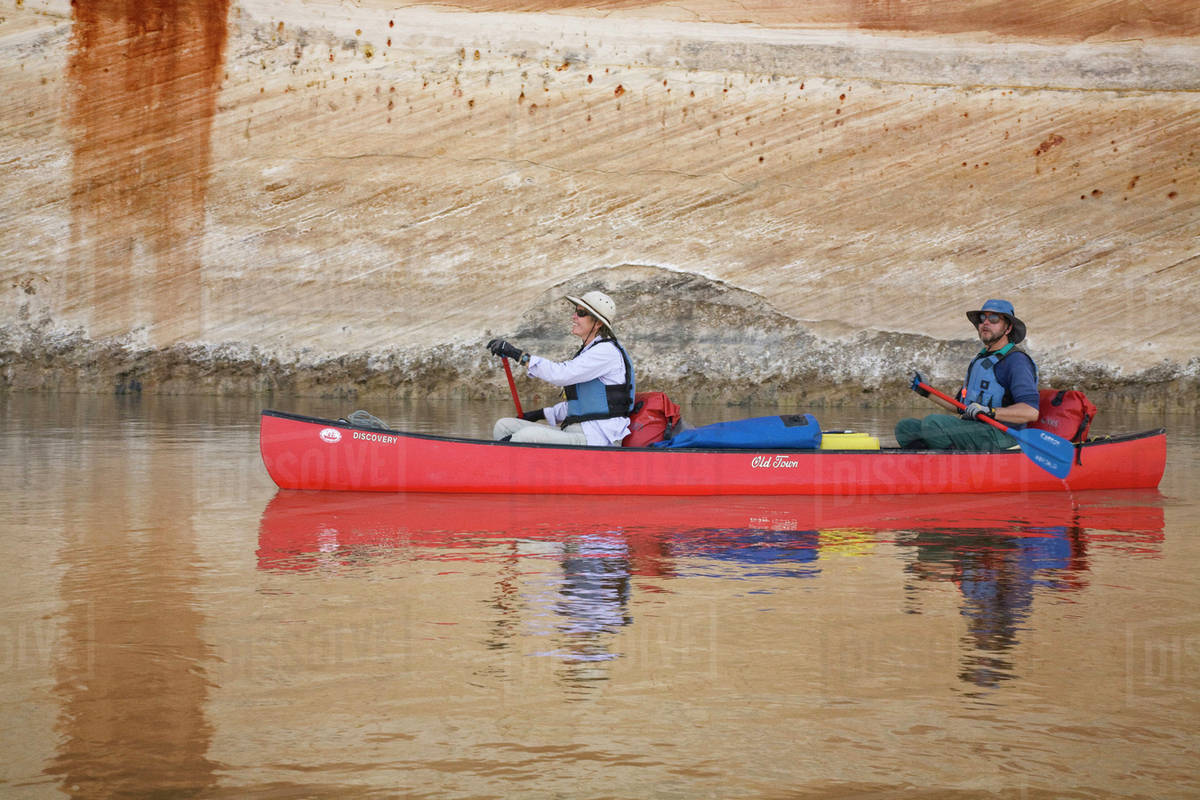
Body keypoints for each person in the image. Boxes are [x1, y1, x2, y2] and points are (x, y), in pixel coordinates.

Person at [487, 290, 635, 446]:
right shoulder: (588, 352)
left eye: (581, 313)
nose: (574, 316)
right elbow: (580, 404)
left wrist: (518, 355)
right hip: (577, 430)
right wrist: (538, 414)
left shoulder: (606, 352)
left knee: (526, 436)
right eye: (576, 311)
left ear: (598, 323)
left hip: (597, 437)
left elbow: (561, 374)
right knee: (503, 427)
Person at [896, 299, 1039, 450]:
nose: (986, 323)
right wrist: (926, 391)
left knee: (933, 423)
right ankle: (928, 461)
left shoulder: (1016, 361)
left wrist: (990, 412)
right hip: (975, 428)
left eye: (994, 319)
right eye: (982, 318)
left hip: (1002, 435)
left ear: (1008, 328)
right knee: (906, 428)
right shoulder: (981, 360)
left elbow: (1030, 412)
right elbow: (960, 407)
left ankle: (954, 465)